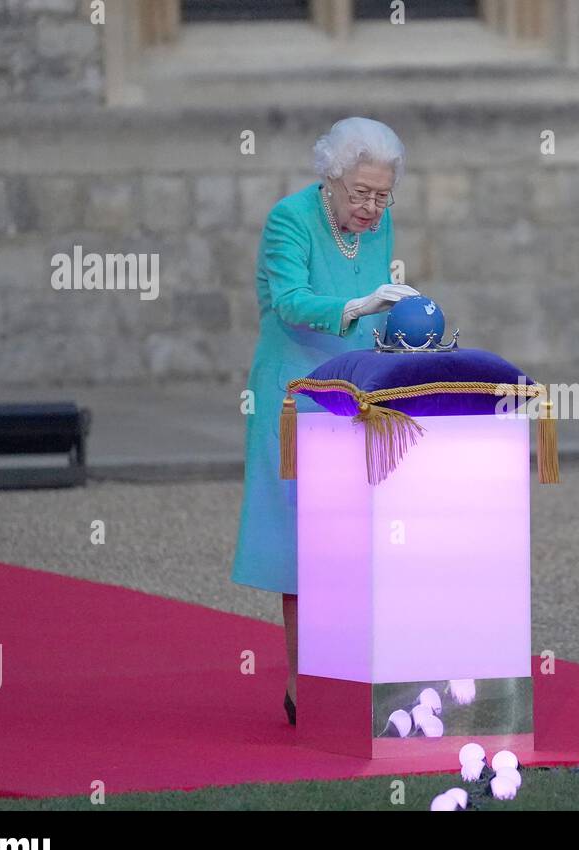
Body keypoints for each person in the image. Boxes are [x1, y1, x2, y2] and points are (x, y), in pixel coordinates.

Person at [230, 116, 419, 725]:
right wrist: (357, 306)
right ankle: (303, 681)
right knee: (304, 541)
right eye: (360, 193)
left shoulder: (380, 223)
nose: (371, 207)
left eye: (382, 194)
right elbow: (289, 300)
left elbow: (381, 303)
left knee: (359, 536)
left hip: (360, 388)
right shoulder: (290, 218)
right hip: (297, 393)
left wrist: (406, 328)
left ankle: (363, 672)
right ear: (331, 179)